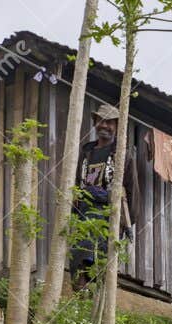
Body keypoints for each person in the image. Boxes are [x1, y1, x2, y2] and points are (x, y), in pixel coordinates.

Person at [69, 103, 136, 286]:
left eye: (109, 122)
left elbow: (131, 190)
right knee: (79, 256)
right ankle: (81, 291)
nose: (104, 125)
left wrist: (126, 221)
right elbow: (77, 181)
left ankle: (95, 292)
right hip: (84, 212)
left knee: (100, 259)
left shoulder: (123, 155)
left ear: (117, 126)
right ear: (95, 123)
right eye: (101, 121)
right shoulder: (86, 153)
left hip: (108, 214)